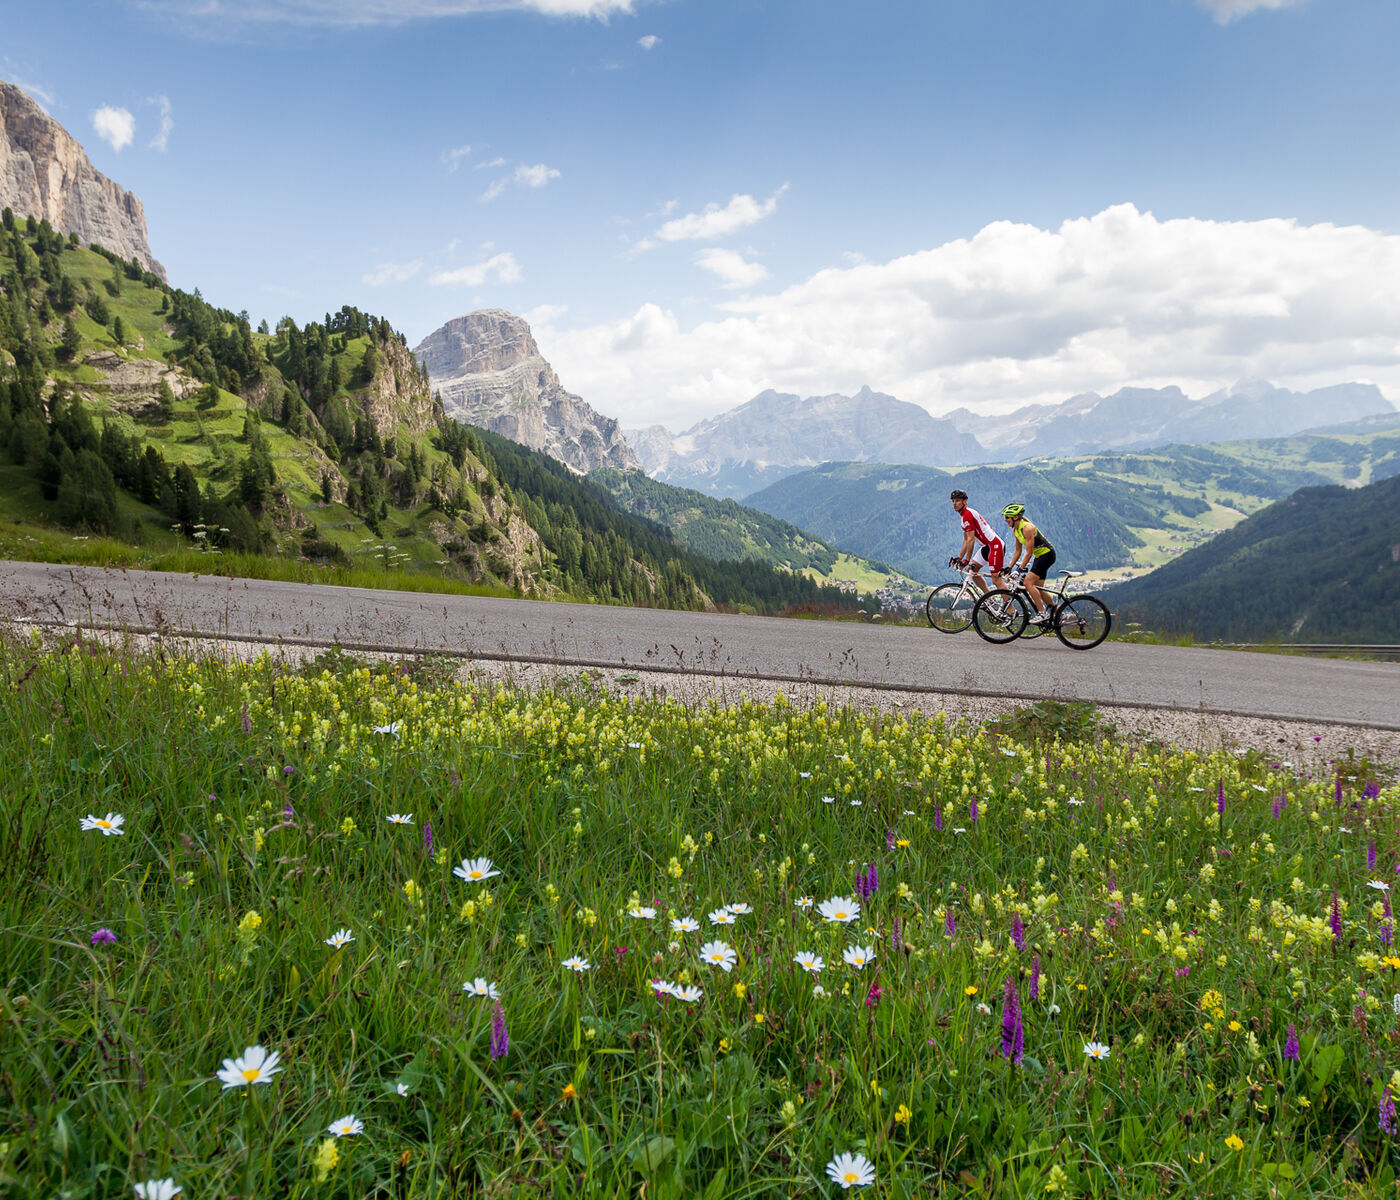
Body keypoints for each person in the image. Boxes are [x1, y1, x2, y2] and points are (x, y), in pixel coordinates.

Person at [1002, 503, 1057, 623]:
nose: (1005, 520)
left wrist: (1019, 570)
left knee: (1027, 583)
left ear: (1015, 517)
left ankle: (1042, 613)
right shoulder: (1015, 529)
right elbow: (1018, 551)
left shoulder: (1027, 528)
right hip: (1040, 556)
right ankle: (1056, 612)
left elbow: (1028, 553)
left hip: (1047, 555)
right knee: (1039, 588)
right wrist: (1009, 567)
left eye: (1007, 517)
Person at [948, 489, 1006, 595]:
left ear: (964, 502)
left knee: (996, 579)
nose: (954, 504)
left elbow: (971, 540)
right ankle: (990, 599)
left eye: (957, 501)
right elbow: (966, 539)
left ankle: (1011, 611)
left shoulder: (967, 515)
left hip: (995, 545)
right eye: (953, 501)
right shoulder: (963, 516)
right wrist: (959, 558)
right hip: (986, 547)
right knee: (972, 571)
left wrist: (966, 559)